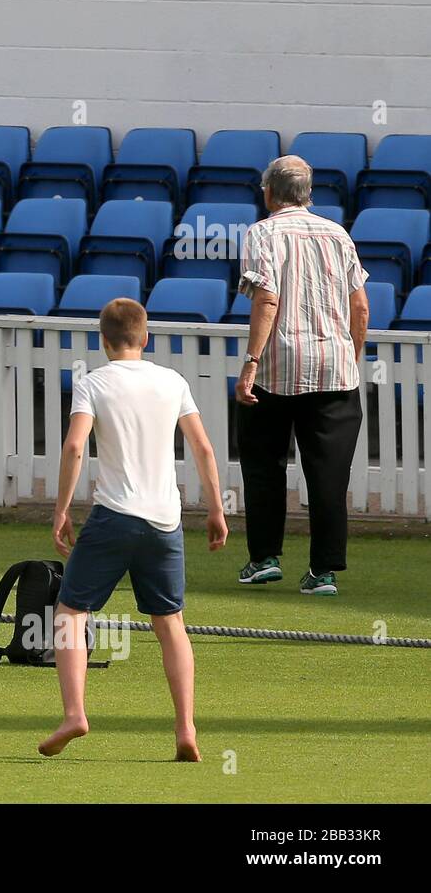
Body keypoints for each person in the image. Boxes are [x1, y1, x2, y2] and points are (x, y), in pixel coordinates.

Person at [42, 298, 227, 760]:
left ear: (102, 341)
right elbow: (203, 449)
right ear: (145, 338)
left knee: (70, 611)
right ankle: (185, 728)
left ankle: (74, 713)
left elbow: (73, 447)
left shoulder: (92, 383)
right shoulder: (173, 381)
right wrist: (216, 509)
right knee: (170, 623)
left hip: (113, 515)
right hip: (165, 520)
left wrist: (61, 509)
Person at [234, 156, 369, 596]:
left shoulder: (262, 233)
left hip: (277, 366)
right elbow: (361, 306)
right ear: (308, 193)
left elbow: (266, 300)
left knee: (263, 463)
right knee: (329, 474)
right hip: (335, 366)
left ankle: (265, 558)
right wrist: (351, 353)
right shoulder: (338, 234)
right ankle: (323, 572)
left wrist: (251, 361)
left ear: (269, 192)